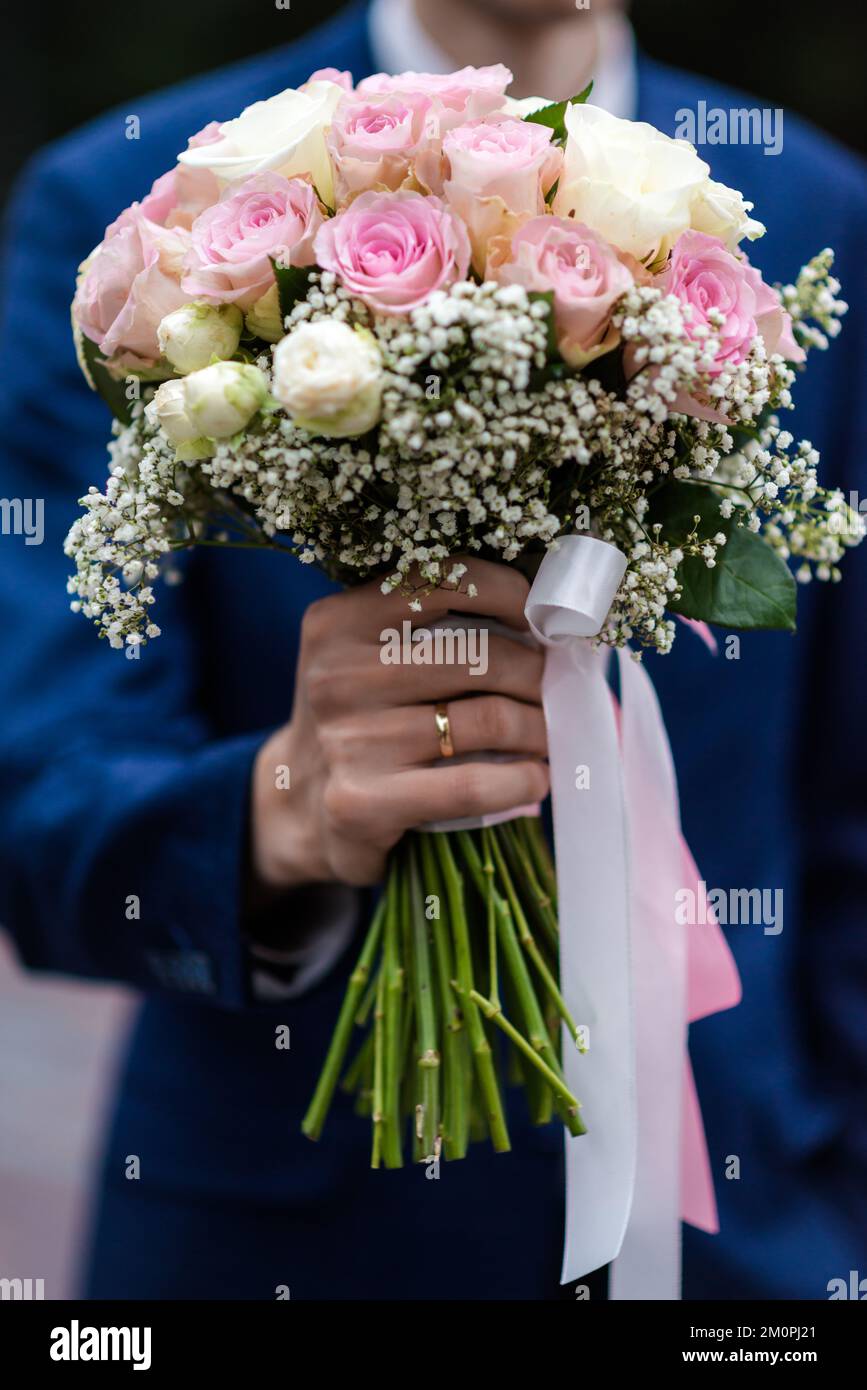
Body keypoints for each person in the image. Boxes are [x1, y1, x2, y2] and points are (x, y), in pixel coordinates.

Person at [0, 0, 864, 1300]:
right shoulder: (138, 205)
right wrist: (282, 809)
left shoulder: (819, 209)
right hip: (289, 1243)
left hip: (744, 1234)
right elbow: (39, 805)